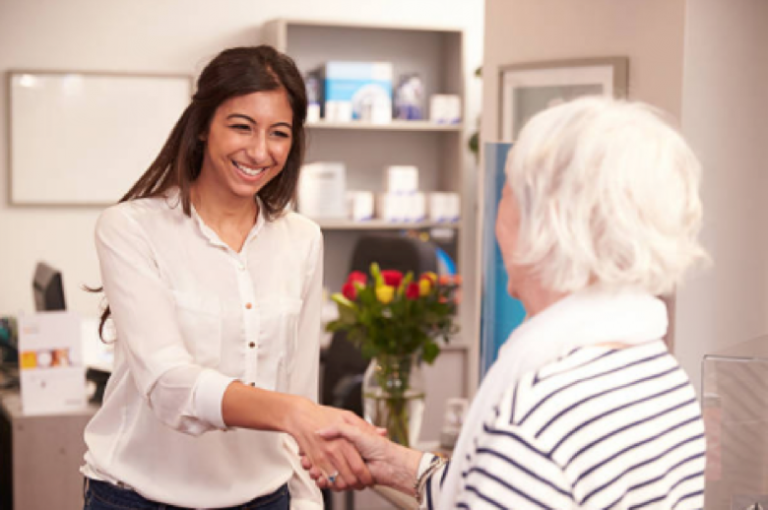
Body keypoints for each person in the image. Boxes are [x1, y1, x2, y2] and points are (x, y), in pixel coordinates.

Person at [304, 97, 709, 509]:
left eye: (506, 194)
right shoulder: (665, 381)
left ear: (546, 222)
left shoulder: (532, 418)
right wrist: (390, 463)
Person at [82, 45, 376, 510]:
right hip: (137, 497)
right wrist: (292, 412)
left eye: (279, 133)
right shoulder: (131, 228)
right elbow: (168, 383)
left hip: (264, 497)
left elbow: (299, 384)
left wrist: (305, 500)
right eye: (242, 126)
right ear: (203, 126)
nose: (259, 151)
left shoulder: (302, 239)